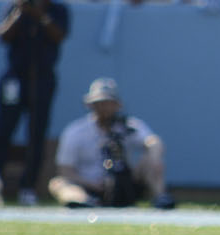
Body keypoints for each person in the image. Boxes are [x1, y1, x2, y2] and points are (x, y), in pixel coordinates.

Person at [0, 0, 68, 207]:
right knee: (3, 129)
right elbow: (2, 35)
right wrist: (21, 13)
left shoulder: (57, 10)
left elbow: (59, 35)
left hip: (42, 78)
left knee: (36, 133)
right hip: (15, 77)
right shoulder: (15, 8)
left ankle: (29, 185)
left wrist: (40, 15)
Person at [48, 77, 171, 209]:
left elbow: (153, 141)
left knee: (150, 160)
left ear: (117, 105)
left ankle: (160, 197)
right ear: (90, 104)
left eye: (108, 103)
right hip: (90, 186)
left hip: (125, 185)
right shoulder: (75, 131)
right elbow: (65, 170)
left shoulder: (129, 126)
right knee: (58, 183)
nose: (104, 108)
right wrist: (92, 184)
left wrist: (154, 157)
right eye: (100, 103)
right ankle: (82, 202)